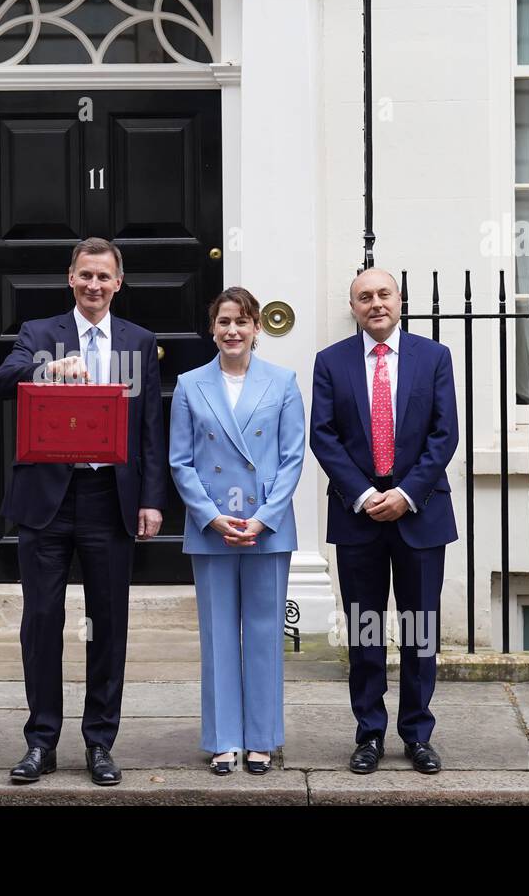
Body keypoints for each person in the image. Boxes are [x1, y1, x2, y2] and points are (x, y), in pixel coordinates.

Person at [0, 237, 166, 786]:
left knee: (107, 624)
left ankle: (100, 742)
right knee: (42, 621)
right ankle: (41, 742)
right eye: (85, 275)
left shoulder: (139, 342)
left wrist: (152, 499)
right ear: (70, 278)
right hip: (47, 500)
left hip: (109, 498)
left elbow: (151, 427)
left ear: (118, 283)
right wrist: (45, 371)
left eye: (103, 277)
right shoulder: (39, 333)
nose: (93, 285)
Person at [310, 267, 459, 775]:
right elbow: (323, 435)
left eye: (383, 294)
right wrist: (364, 494)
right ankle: (369, 732)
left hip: (420, 513)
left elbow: (444, 433)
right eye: (364, 297)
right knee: (365, 631)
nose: (375, 303)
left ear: (399, 300)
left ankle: (417, 733)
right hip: (359, 516)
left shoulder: (434, 357)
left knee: (420, 631)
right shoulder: (331, 362)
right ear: (353, 308)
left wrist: (406, 494)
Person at [169, 288, 304, 775]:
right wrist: (210, 515)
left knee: (265, 633)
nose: (232, 330)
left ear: (256, 328)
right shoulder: (189, 384)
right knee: (218, 634)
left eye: (242, 322)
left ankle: (262, 738)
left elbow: (292, 457)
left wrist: (264, 517)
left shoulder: (283, 382)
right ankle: (223, 738)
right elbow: (180, 460)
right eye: (224, 321)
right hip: (212, 527)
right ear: (212, 328)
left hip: (267, 526)